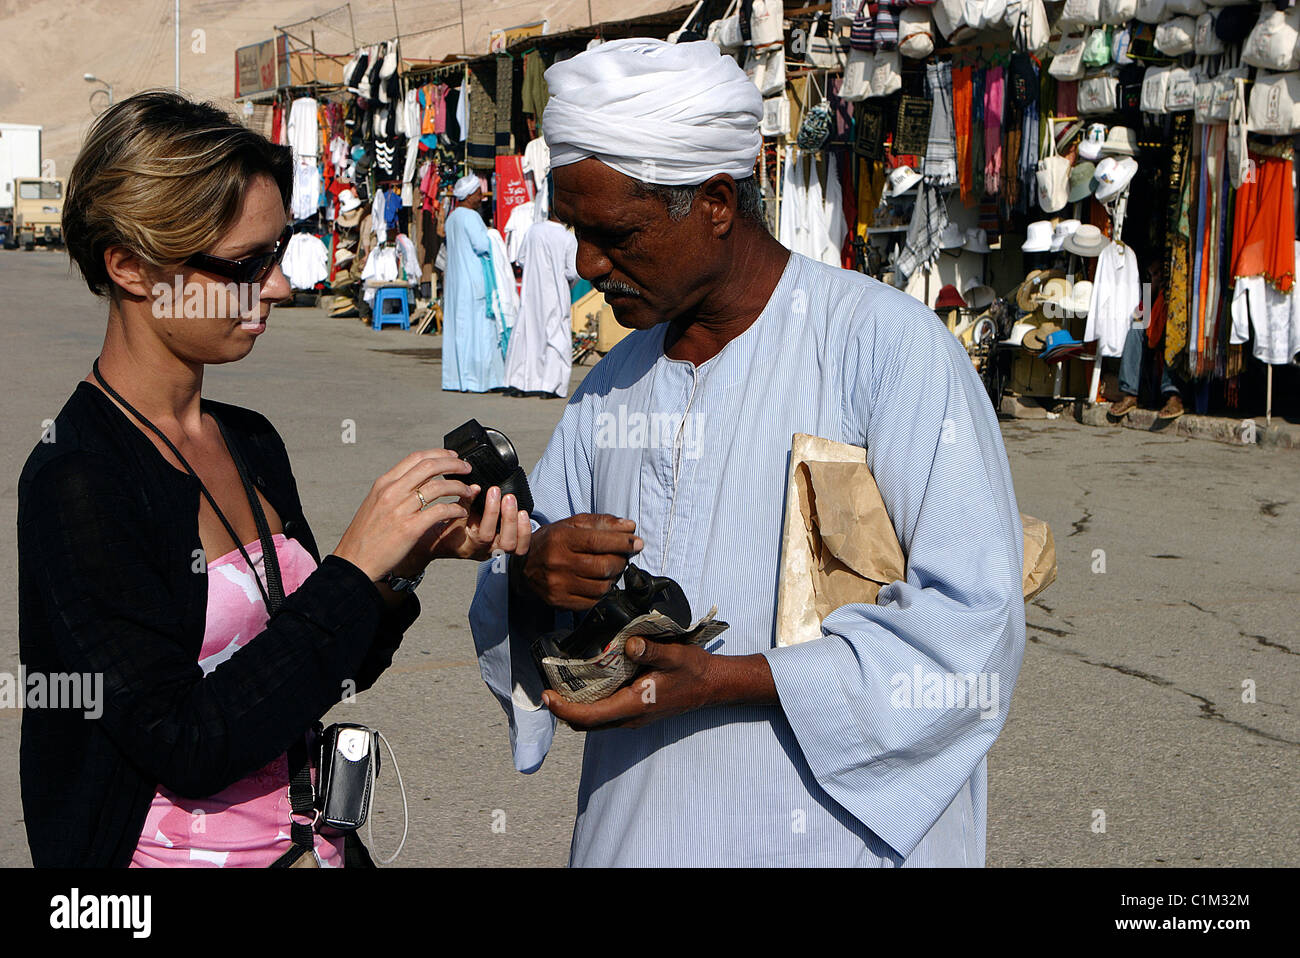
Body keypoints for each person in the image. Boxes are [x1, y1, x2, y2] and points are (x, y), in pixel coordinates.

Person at [468, 40, 1026, 867]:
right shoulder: (610, 387)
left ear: (718, 202)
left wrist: (726, 680)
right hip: (639, 830)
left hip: (833, 840)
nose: (587, 266)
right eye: (576, 234)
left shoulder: (887, 348)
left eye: (614, 234)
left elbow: (975, 626)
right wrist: (534, 574)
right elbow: (529, 587)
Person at [18, 91, 530, 868]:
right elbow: (187, 741)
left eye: (278, 253)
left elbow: (322, 669)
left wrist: (403, 564)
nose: (281, 289)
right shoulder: (78, 479)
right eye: (245, 265)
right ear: (130, 266)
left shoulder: (248, 439)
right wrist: (355, 568)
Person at [503, 209, 579, 398]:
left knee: (527, 336)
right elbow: (573, 271)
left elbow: (520, 260)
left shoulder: (533, 231)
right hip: (556, 296)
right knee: (555, 337)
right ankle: (549, 386)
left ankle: (520, 383)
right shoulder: (568, 239)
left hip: (531, 294)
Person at [441, 174, 503, 392]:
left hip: (457, 284)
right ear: (468, 196)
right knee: (480, 332)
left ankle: (456, 379)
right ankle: (479, 380)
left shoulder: (452, 218)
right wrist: (494, 237)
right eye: (478, 193)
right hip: (474, 282)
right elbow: (482, 245)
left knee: (460, 332)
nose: (481, 197)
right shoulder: (470, 216)